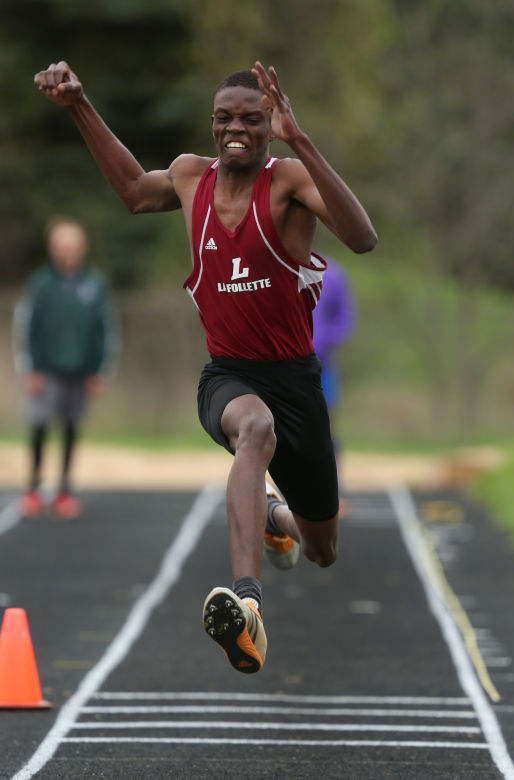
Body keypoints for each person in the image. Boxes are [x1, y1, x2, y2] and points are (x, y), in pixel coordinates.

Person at [34, 60, 377, 672]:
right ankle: (248, 605)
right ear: (212, 125)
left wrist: (303, 141)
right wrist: (79, 105)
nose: (236, 129)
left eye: (251, 118)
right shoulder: (193, 177)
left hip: (298, 381)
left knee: (322, 549)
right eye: (224, 119)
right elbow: (137, 192)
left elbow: (362, 238)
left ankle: (276, 516)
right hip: (229, 378)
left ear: (269, 126)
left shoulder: (289, 180)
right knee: (254, 429)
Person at [14, 217, 116, 519]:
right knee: (40, 425)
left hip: (80, 371)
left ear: (82, 247)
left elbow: (106, 329)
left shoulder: (95, 285)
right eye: (62, 245)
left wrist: (100, 369)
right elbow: (25, 326)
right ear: (53, 248)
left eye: (73, 244)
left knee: (71, 428)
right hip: (46, 371)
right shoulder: (40, 284)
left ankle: (64, 491)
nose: (68, 250)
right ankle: (33, 488)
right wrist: (29, 367)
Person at [312, 257, 356, 495]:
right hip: (280, 363)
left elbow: (345, 319)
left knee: (325, 425)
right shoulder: (272, 266)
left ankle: (334, 487)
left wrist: (324, 342)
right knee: (278, 425)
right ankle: (286, 488)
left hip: (321, 364)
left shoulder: (333, 275)